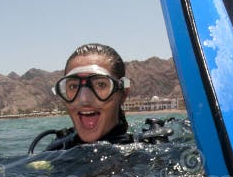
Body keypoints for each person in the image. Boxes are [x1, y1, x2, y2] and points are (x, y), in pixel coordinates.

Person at [28, 43, 172, 153]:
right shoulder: (55, 152)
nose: (84, 100)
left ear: (123, 94)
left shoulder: (149, 154)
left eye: (100, 85)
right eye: (73, 87)